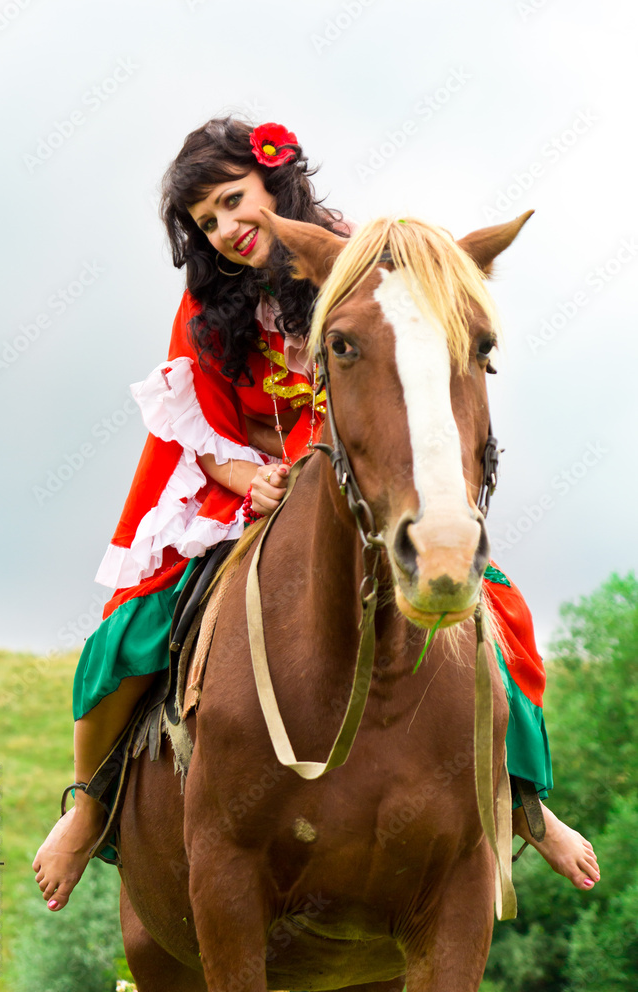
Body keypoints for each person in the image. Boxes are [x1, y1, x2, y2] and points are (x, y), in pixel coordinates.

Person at [33, 116, 598, 912]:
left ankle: (529, 804)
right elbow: (192, 421)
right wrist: (245, 480)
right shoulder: (205, 304)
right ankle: (89, 806)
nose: (229, 227)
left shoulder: (358, 262)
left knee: (500, 613)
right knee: (131, 629)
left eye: (235, 200)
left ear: (276, 182)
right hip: (245, 490)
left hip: (350, 482)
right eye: (208, 220)